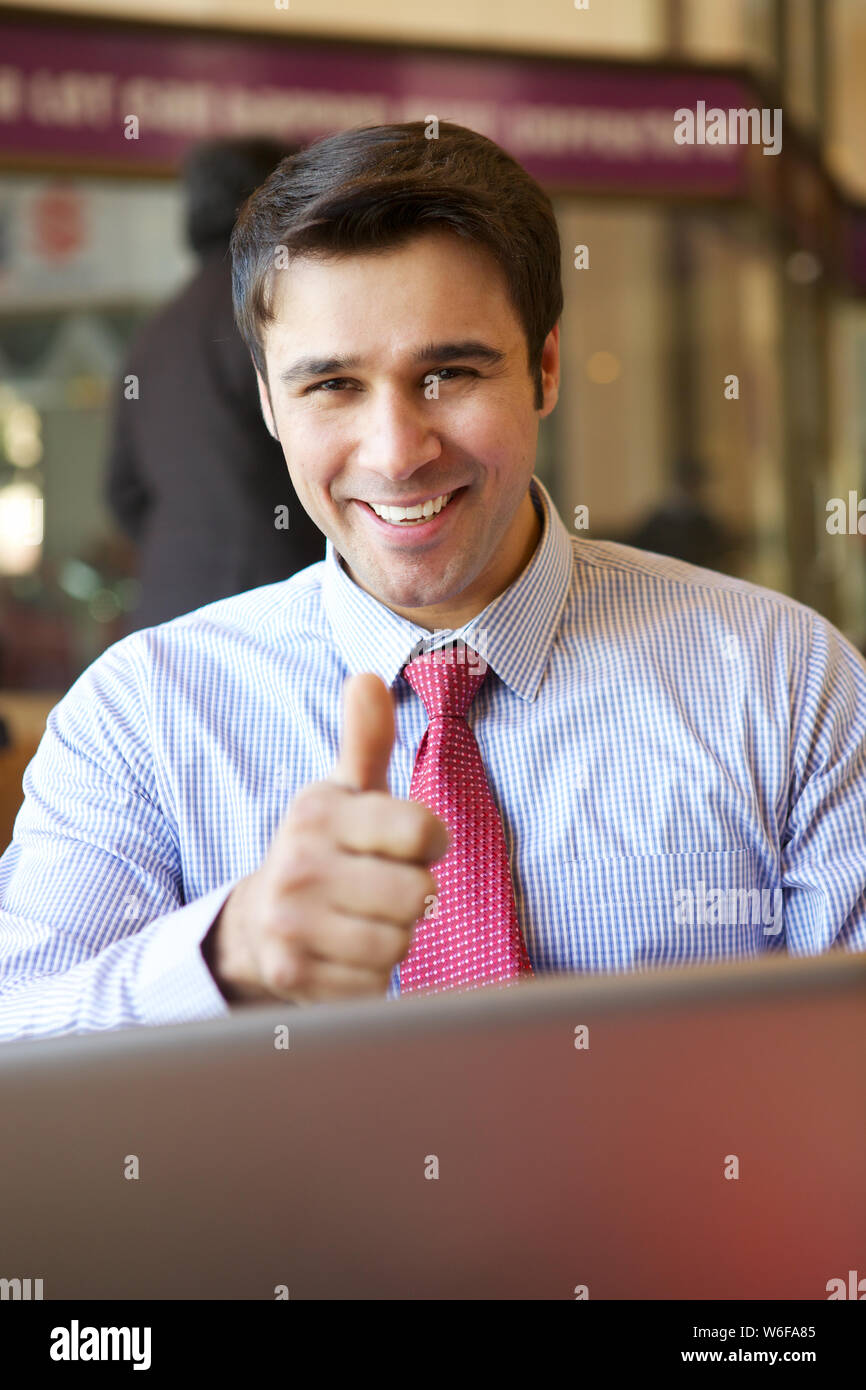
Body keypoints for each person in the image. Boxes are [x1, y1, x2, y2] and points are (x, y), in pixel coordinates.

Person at [1, 121, 865, 1041]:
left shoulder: (785, 680)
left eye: (449, 373)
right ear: (266, 401)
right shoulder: (142, 718)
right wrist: (225, 957)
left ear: (544, 366)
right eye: (331, 385)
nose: (398, 453)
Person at [104, 138, 325, 631]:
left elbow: (122, 493)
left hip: (168, 610)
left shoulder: (154, 334)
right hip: (279, 609)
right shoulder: (281, 313)